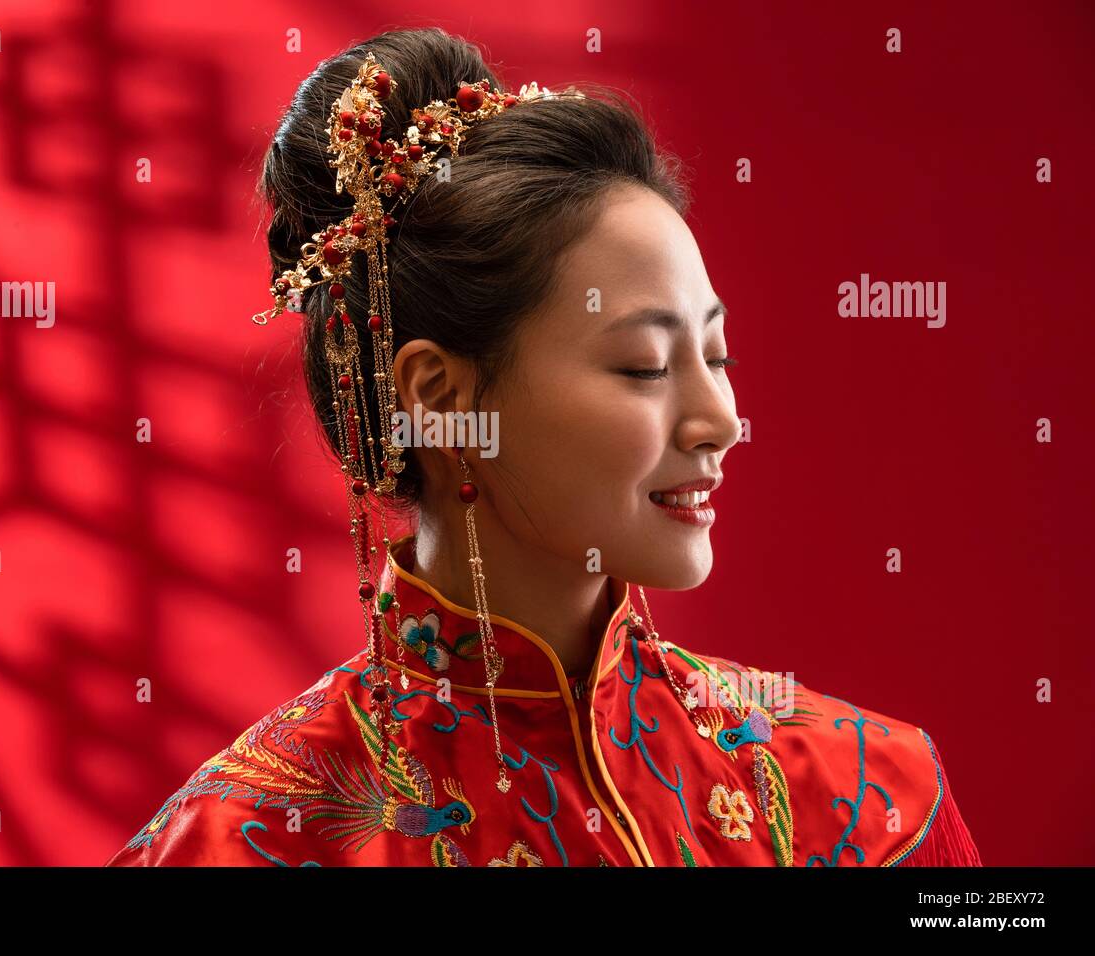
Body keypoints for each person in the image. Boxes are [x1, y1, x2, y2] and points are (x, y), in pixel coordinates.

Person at [106, 27, 981, 868]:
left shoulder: (861, 798)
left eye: (717, 357)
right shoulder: (252, 839)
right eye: (644, 366)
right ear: (439, 397)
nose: (719, 419)